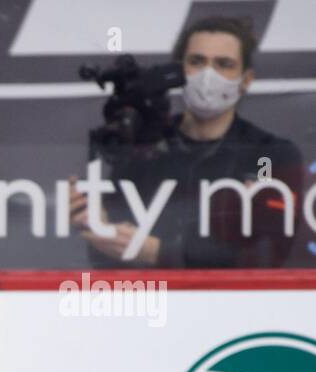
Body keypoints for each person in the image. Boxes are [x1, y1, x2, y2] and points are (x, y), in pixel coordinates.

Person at [72, 15, 303, 268]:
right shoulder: (144, 148)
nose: (208, 75)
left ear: (246, 80)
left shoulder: (266, 156)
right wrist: (97, 225)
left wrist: (160, 253)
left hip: (234, 305)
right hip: (154, 301)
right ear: (179, 71)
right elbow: (109, 259)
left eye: (224, 64)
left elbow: (266, 253)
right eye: (197, 62)